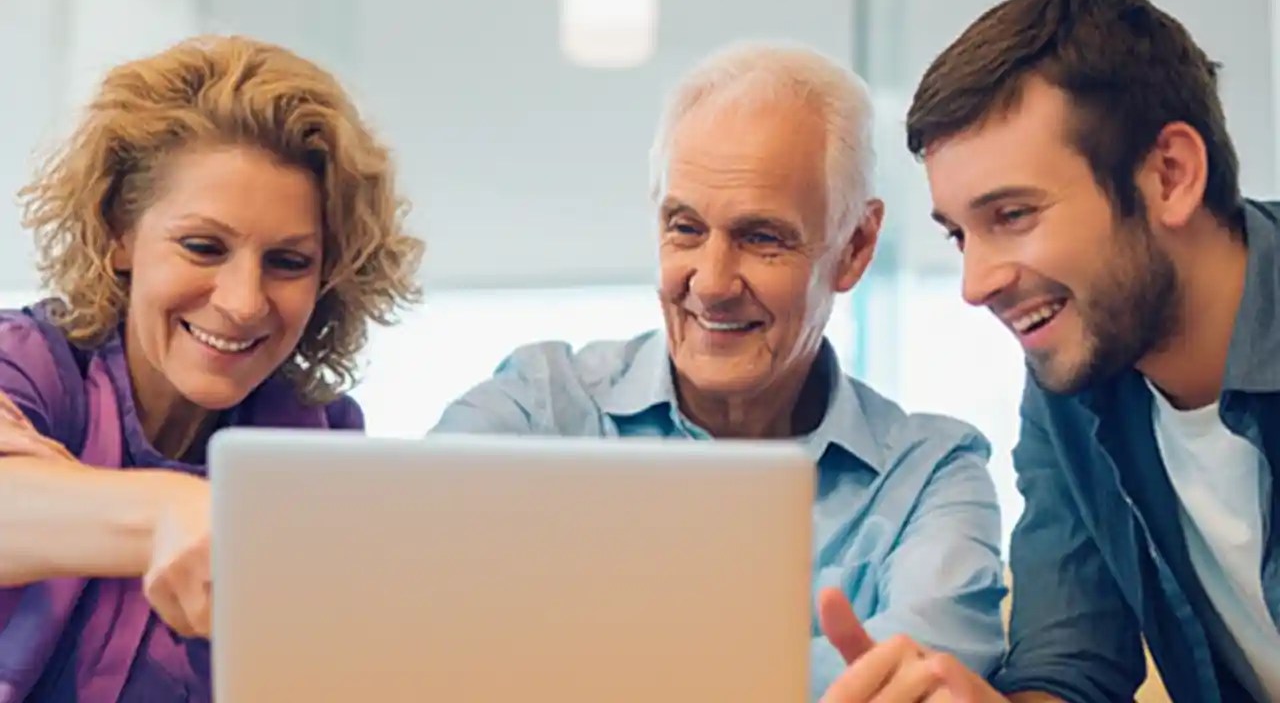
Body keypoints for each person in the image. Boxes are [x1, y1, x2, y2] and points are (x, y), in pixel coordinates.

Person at [432, 43, 1007, 699]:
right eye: (684, 228)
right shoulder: (534, 411)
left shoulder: (930, 476)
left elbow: (921, 679)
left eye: (762, 238)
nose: (710, 283)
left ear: (855, 247)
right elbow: (411, 610)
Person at [815, 0, 1280, 702]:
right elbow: (1071, 665)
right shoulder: (1077, 382)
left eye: (1013, 214)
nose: (976, 282)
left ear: (1171, 176)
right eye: (959, 234)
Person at [0, 35, 423, 701]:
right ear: (118, 232)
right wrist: (176, 511)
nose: (243, 301)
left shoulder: (319, 444)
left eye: (288, 263)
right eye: (203, 247)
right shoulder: (31, 369)